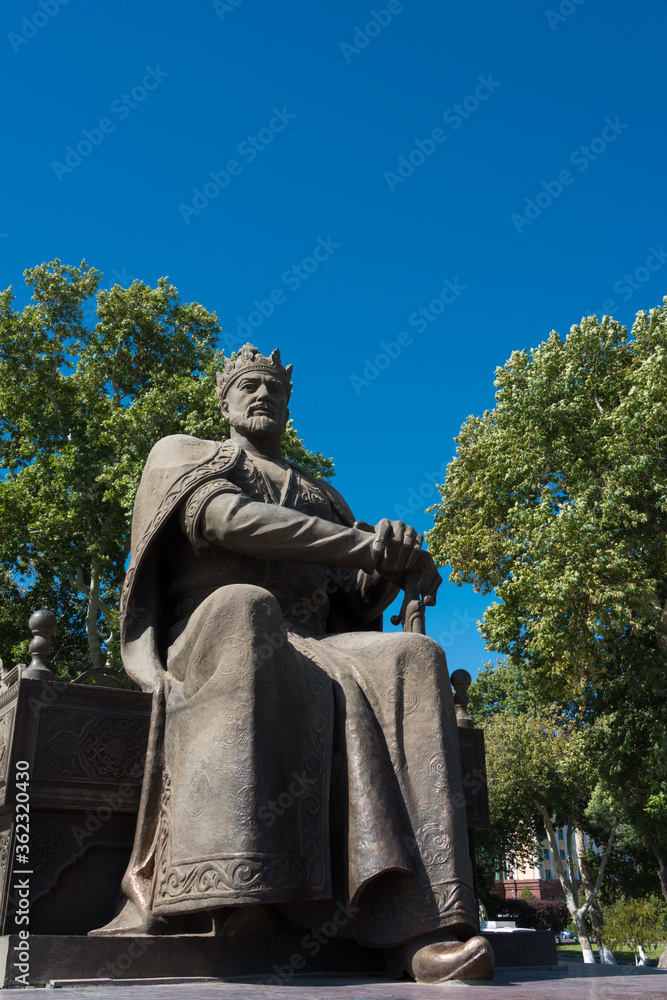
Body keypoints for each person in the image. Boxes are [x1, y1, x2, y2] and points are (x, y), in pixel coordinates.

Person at [92, 345, 494, 984]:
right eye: (248, 386)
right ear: (224, 400)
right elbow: (229, 521)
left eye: (274, 390)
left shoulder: (321, 493)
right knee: (247, 607)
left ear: (287, 403)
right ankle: (236, 889)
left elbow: (349, 605)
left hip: (315, 643)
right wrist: (362, 546)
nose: (262, 397)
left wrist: (386, 568)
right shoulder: (185, 454)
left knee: (414, 656)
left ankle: (418, 923)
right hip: (212, 632)